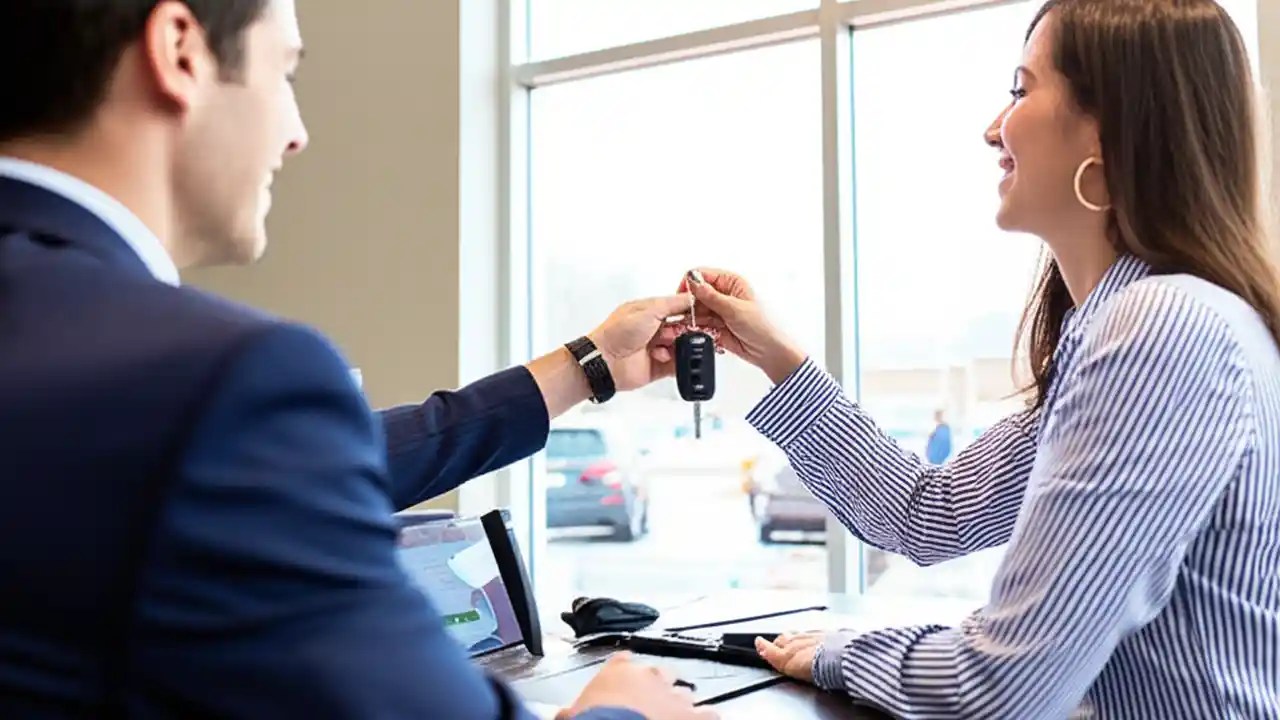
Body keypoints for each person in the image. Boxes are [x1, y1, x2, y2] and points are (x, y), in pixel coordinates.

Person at [0, 1, 712, 719]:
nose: (297, 134)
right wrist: (626, 712)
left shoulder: (121, 376)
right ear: (180, 50)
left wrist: (586, 365)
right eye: (285, 71)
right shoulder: (220, 379)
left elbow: (278, 468)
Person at [672, 0, 1280, 717]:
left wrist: (842, 653)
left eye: (1021, 90)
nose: (994, 127)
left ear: (1111, 130)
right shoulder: (1142, 328)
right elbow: (925, 514)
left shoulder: (1162, 333)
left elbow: (1003, 686)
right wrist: (777, 357)